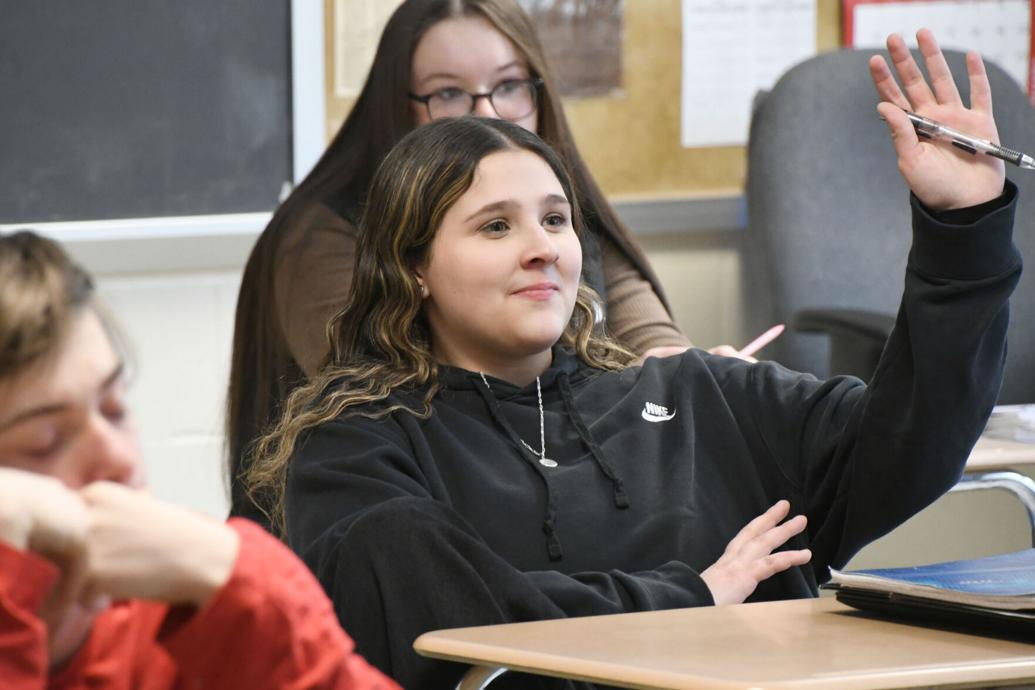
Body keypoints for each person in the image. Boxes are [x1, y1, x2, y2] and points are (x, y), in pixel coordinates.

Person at [246, 29, 1020, 689]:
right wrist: (692, 594)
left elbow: (909, 441)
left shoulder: (695, 396)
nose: (542, 248)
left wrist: (964, 228)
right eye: (494, 227)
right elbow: (467, 621)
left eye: (555, 219)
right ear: (413, 266)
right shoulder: (357, 444)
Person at [226, 0, 703, 526]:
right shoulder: (322, 232)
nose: (488, 115)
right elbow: (389, 399)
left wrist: (694, 377)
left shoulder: (560, 218)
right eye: (448, 93)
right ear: (397, 105)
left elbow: (653, 346)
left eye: (508, 86)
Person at [0, 231, 399, 690]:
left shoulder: (187, 598)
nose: (118, 459)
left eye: (114, 409)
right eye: (44, 442)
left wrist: (239, 583)